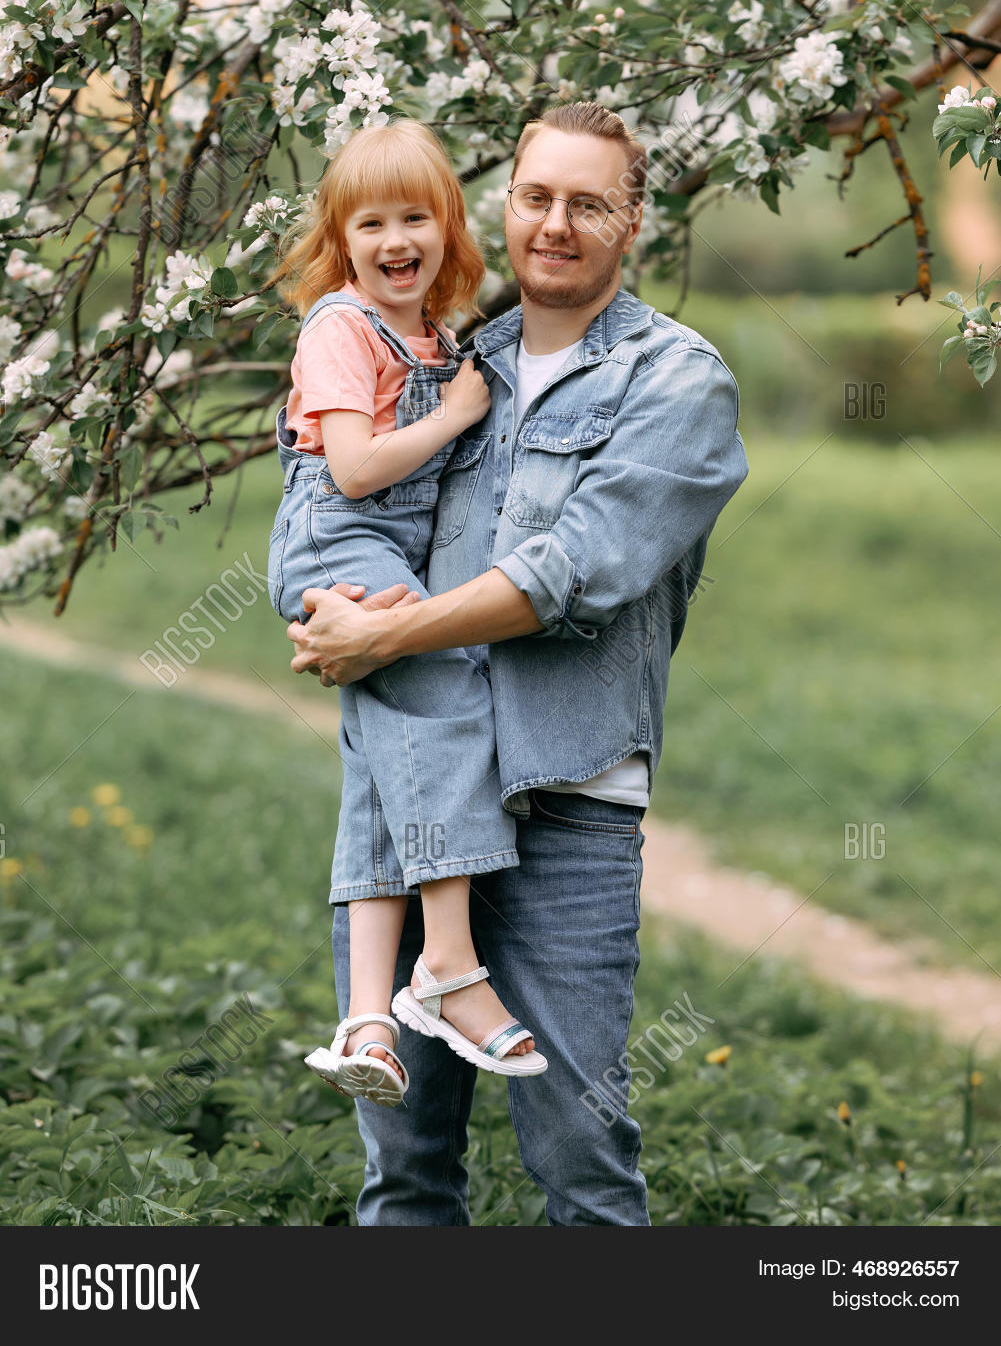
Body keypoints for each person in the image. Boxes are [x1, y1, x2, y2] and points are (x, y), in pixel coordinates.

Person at [288, 101, 750, 1224]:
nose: (554, 223)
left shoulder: (676, 383)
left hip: (566, 811)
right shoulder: (438, 357)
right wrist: (323, 598)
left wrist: (382, 634)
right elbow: (336, 503)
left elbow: (573, 571)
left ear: (631, 221)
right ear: (505, 205)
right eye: (535, 196)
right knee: (403, 1169)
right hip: (412, 808)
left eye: (586, 203)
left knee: (581, 1165)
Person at [266, 118, 547, 1110]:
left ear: (448, 228)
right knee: (449, 690)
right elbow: (350, 468)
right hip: (338, 542)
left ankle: (367, 1017)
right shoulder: (340, 328)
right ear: (341, 242)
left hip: (378, 550)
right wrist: (456, 415)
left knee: (387, 764)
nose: (395, 240)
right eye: (370, 222)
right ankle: (448, 966)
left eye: (415, 218)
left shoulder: (433, 336)